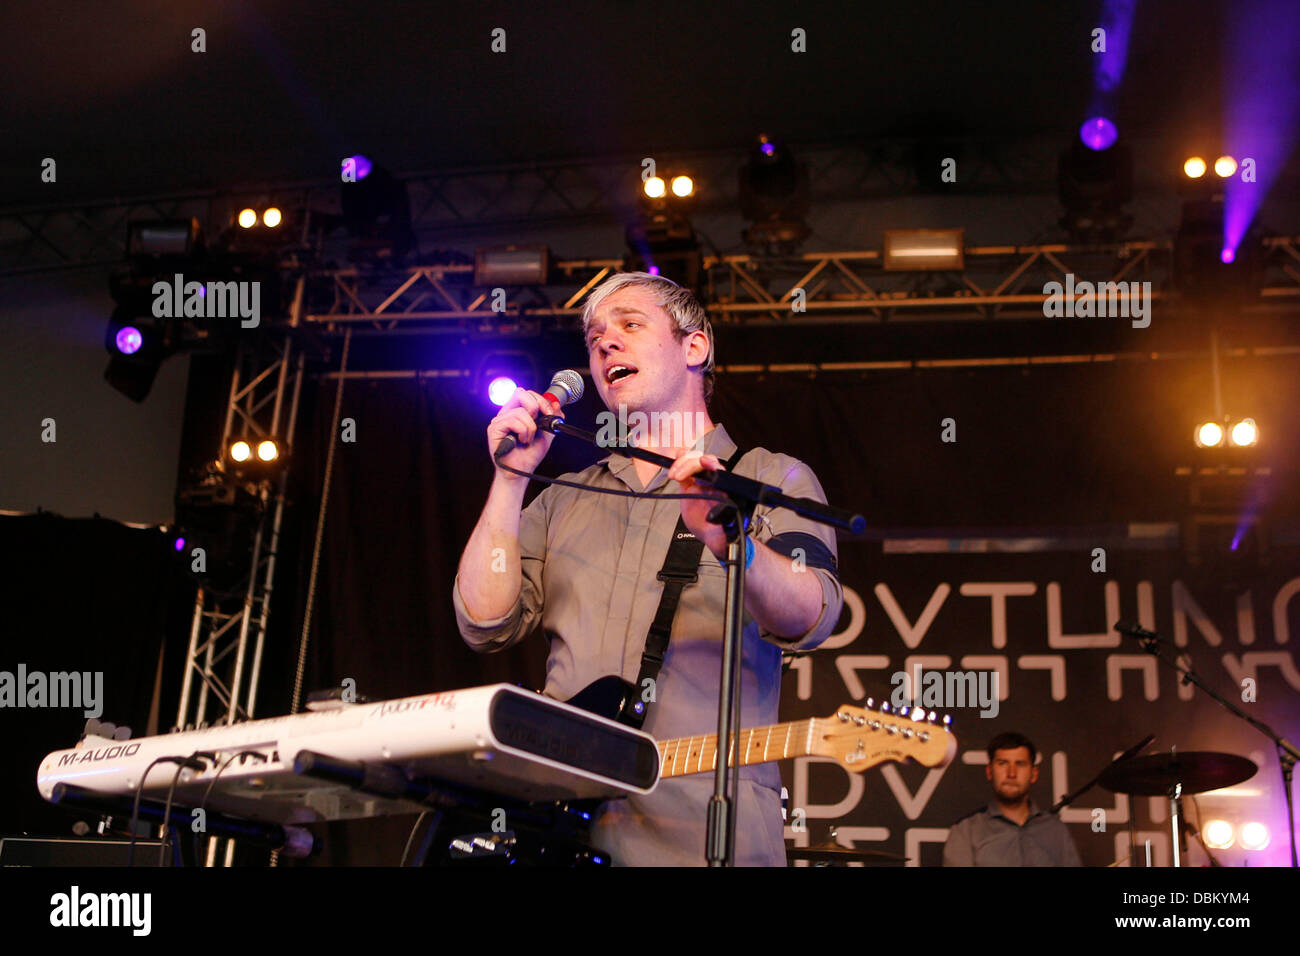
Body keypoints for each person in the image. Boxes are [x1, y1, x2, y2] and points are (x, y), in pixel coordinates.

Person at [452, 271, 844, 866]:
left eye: (630, 325)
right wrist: (511, 479)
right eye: (594, 338)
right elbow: (483, 622)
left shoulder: (769, 479)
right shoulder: (563, 496)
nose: (606, 343)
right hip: (561, 830)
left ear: (695, 347)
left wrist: (730, 538)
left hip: (708, 832)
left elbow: (813, 615)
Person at [943, 732, 1082, 866]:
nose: (1011, 773)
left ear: (1033, 774)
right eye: (1003, 763)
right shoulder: (966, 832)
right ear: (989, 772)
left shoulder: (1056, 830)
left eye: (1020, 764)